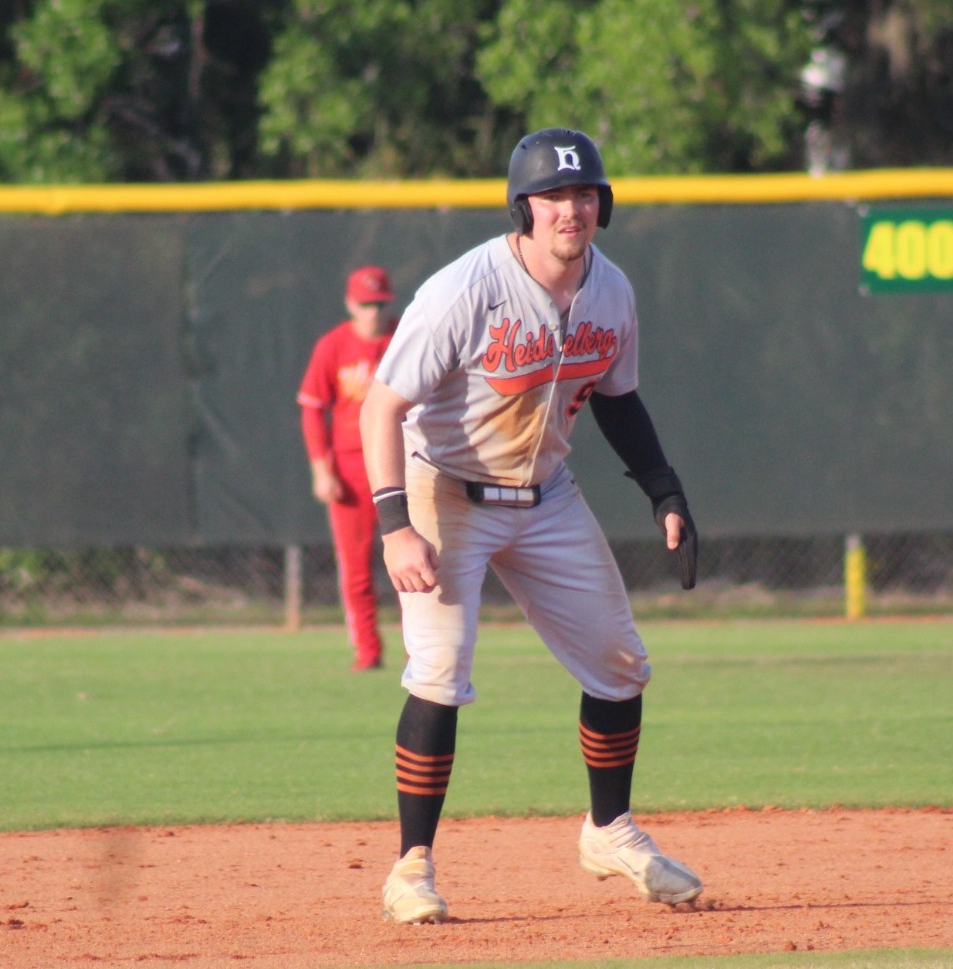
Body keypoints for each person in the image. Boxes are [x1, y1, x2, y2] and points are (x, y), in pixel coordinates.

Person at [359, 127, 702, 924]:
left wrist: (664, 489)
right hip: (445, 489)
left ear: (602, 204)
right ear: (524, 207)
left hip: (545, 494)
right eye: (553, 195)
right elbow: (383, 405)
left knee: (621, 663)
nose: (571, 209)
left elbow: (616, 396)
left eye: (585, 194)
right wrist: (394, 524)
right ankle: (411, 866)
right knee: (440, 669)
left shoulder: (611, 289)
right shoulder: (464, 288)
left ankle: (609, 829)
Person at [297, 265, 399, 671]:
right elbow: (311, 410)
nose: (372, 312)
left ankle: (423, 655)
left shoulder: (403, 338)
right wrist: (322, 469)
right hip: (351, 471)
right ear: (350, 304)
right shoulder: (333, 346)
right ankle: (368, 652)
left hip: (401, 466)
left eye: (379, 304)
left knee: (416, 564)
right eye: (364, 304)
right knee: (356, 570)